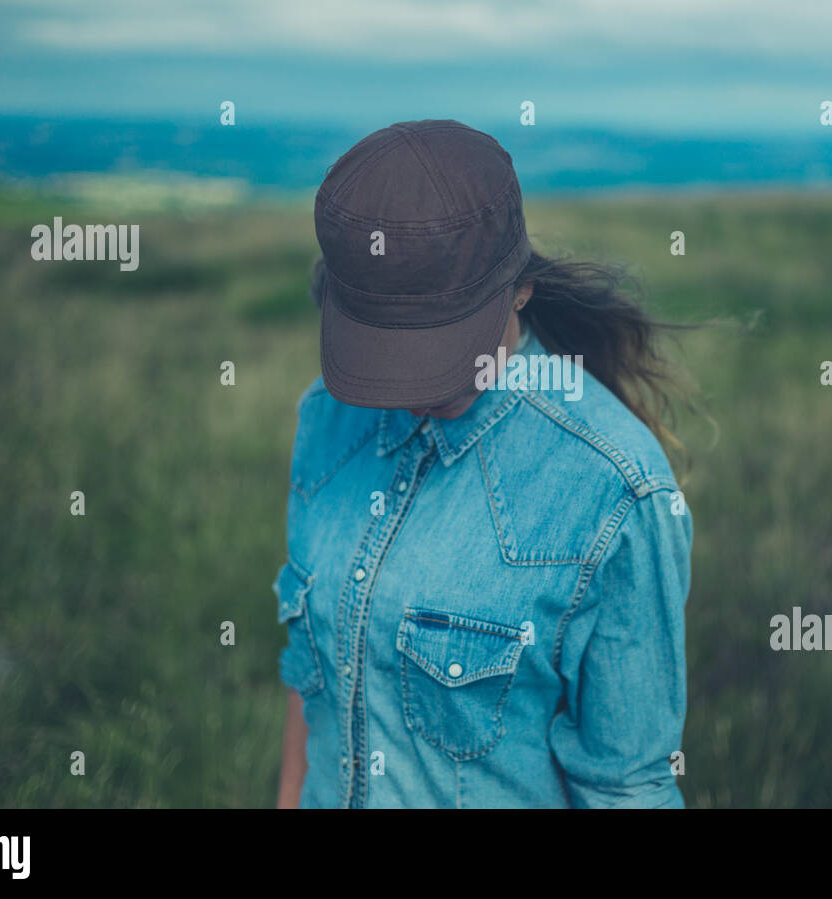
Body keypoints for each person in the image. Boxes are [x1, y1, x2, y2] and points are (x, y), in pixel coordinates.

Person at [275, 118, 694, 808]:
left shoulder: (616, 490)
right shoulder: (325, 416)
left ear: (520, 288)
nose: (409, 390)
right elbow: (310, 673)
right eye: (386, 355)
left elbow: (626, 786)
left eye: (437, 354)